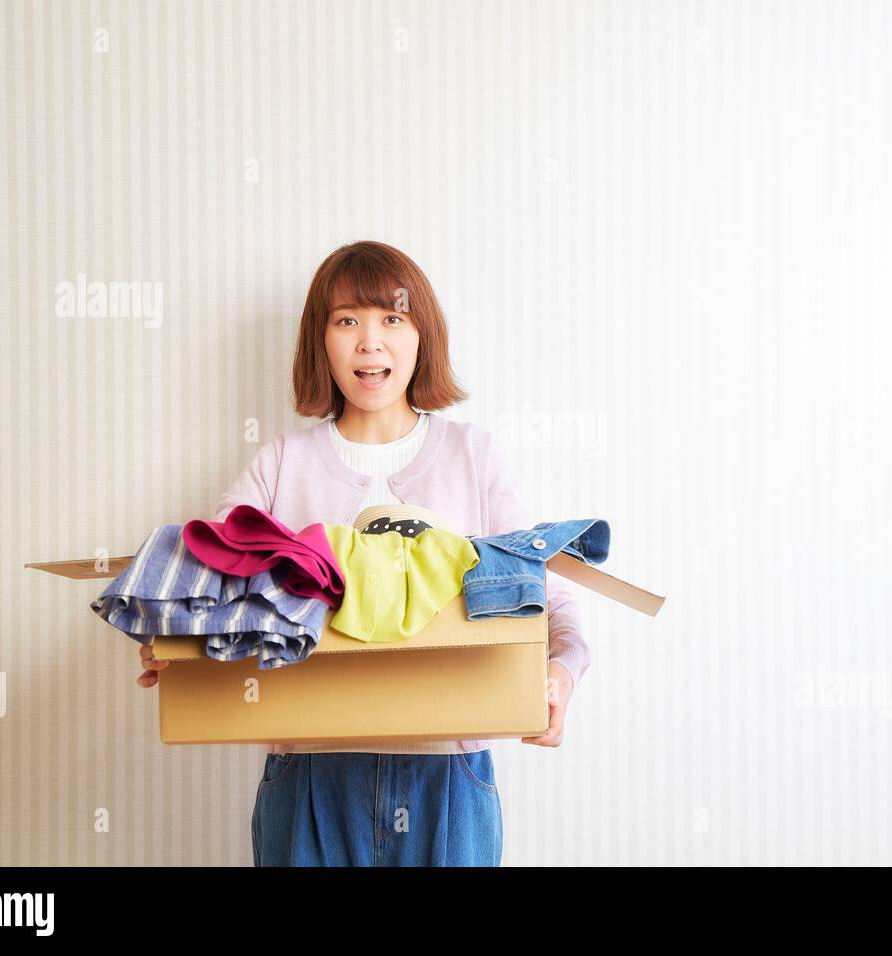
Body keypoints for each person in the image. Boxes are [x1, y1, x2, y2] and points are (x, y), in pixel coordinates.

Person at [135, 240, 589, 866]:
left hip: (447, 778)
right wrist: (175, 639)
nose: (369, 342)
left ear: (421, 335)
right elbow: (209, 577)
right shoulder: (282, 462)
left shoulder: (472, 454)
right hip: (309, 777)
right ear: (319, 342)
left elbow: (549, 594)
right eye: (347, 320)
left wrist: (561, 673)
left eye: (392, 320)